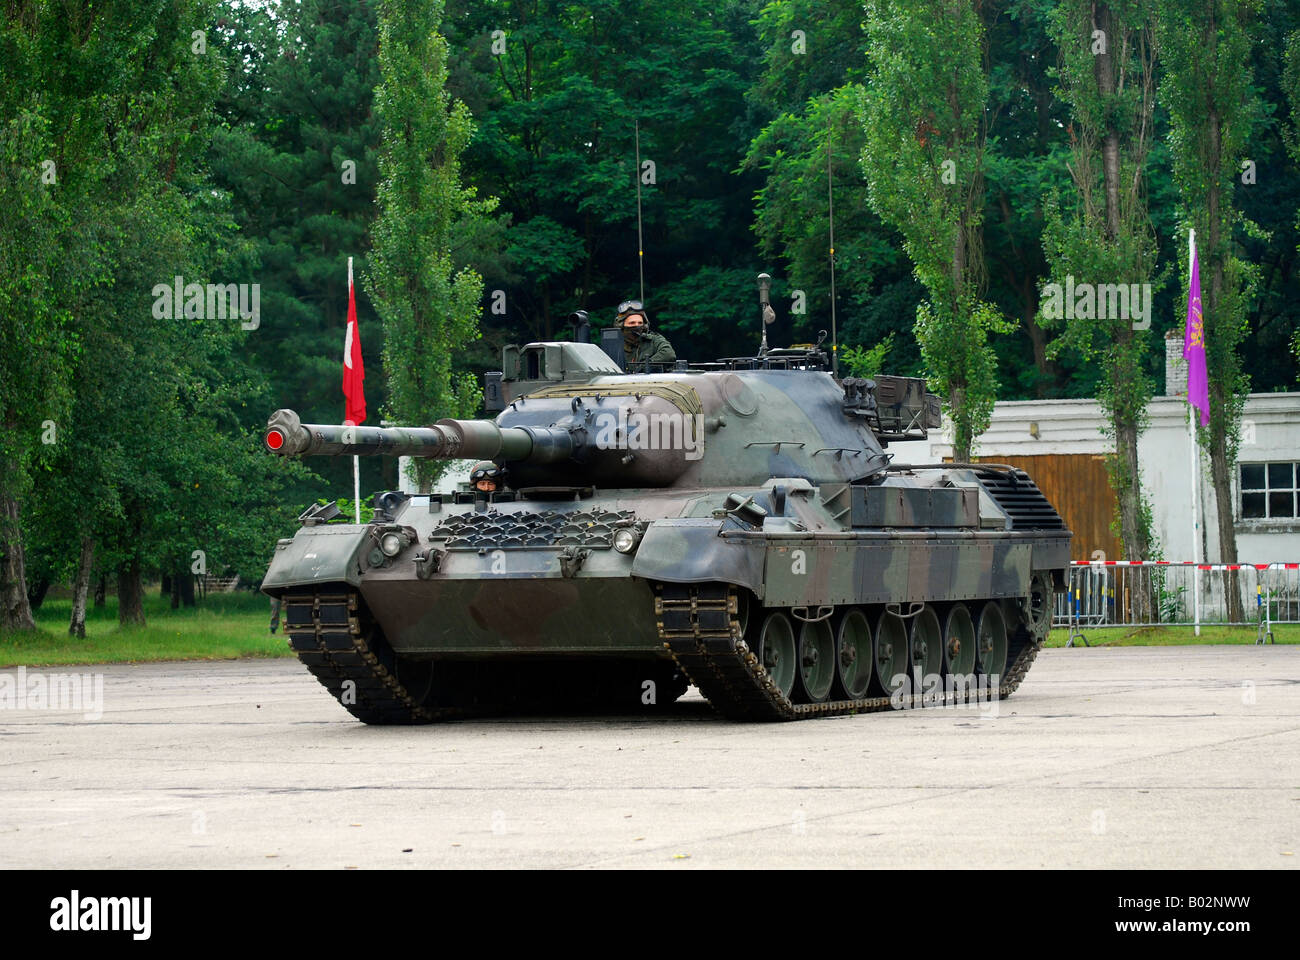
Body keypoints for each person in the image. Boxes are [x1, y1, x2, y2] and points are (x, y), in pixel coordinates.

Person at [616, 300, 675, 365]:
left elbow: (669, 354)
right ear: (621, 326)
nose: (637, 325)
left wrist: (646, 365)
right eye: (632, 323)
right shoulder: (614, 344)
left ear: (645, 326)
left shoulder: (654, 340)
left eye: (640, 323)